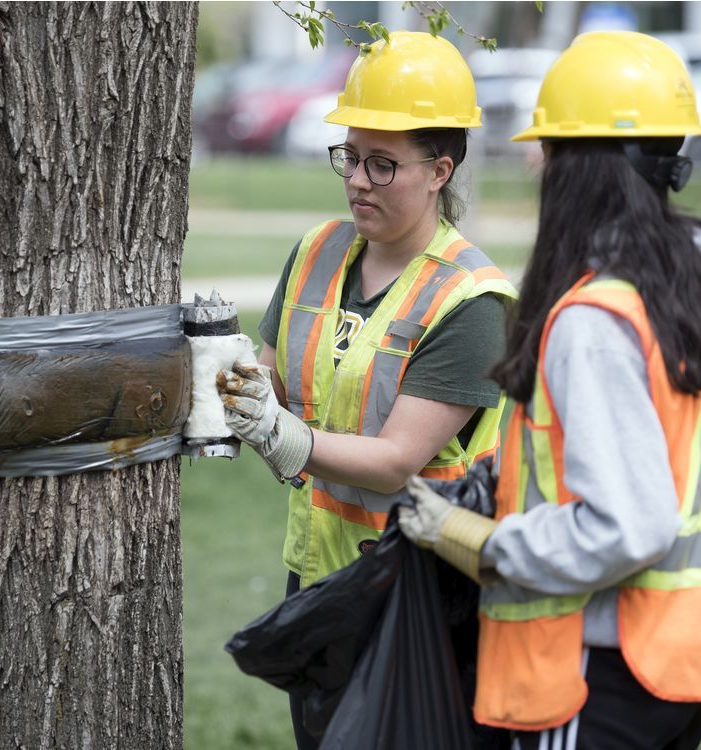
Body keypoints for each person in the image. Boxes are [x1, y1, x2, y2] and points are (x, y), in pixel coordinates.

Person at [399, 31, 701, 749]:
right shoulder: (687, 295)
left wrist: (481, 538)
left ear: (580, 168)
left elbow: (629, 525)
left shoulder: (595, 320)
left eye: (549, 150)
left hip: (599, 663)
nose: (537, 164)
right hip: (686, 657)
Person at [216, 31, 517, 749]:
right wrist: (232, 385)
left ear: (440, 170)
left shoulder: (472, 301)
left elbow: (394, 461)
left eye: (382, 165)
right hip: (320, 580)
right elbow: (268, 386)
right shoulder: (318, 252)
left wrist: (285, 436)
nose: (356, 180)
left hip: (422, 590)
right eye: (349, 157)